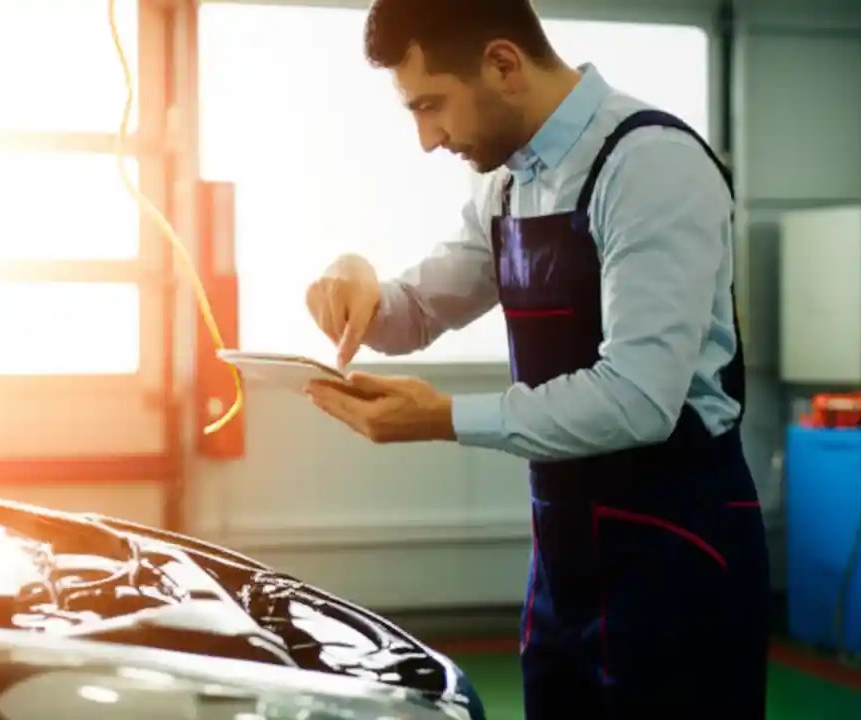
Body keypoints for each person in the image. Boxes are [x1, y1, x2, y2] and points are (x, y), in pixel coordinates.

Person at [302, 0, 771, 717]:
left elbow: (639, 400)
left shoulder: (651, 165)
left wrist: (443, 418)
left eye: (432, 106)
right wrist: (356, 280)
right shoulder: (509, 181)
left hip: (678, 554)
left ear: (502, 64)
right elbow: (420, 310)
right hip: (566, 560)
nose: (428, 139)